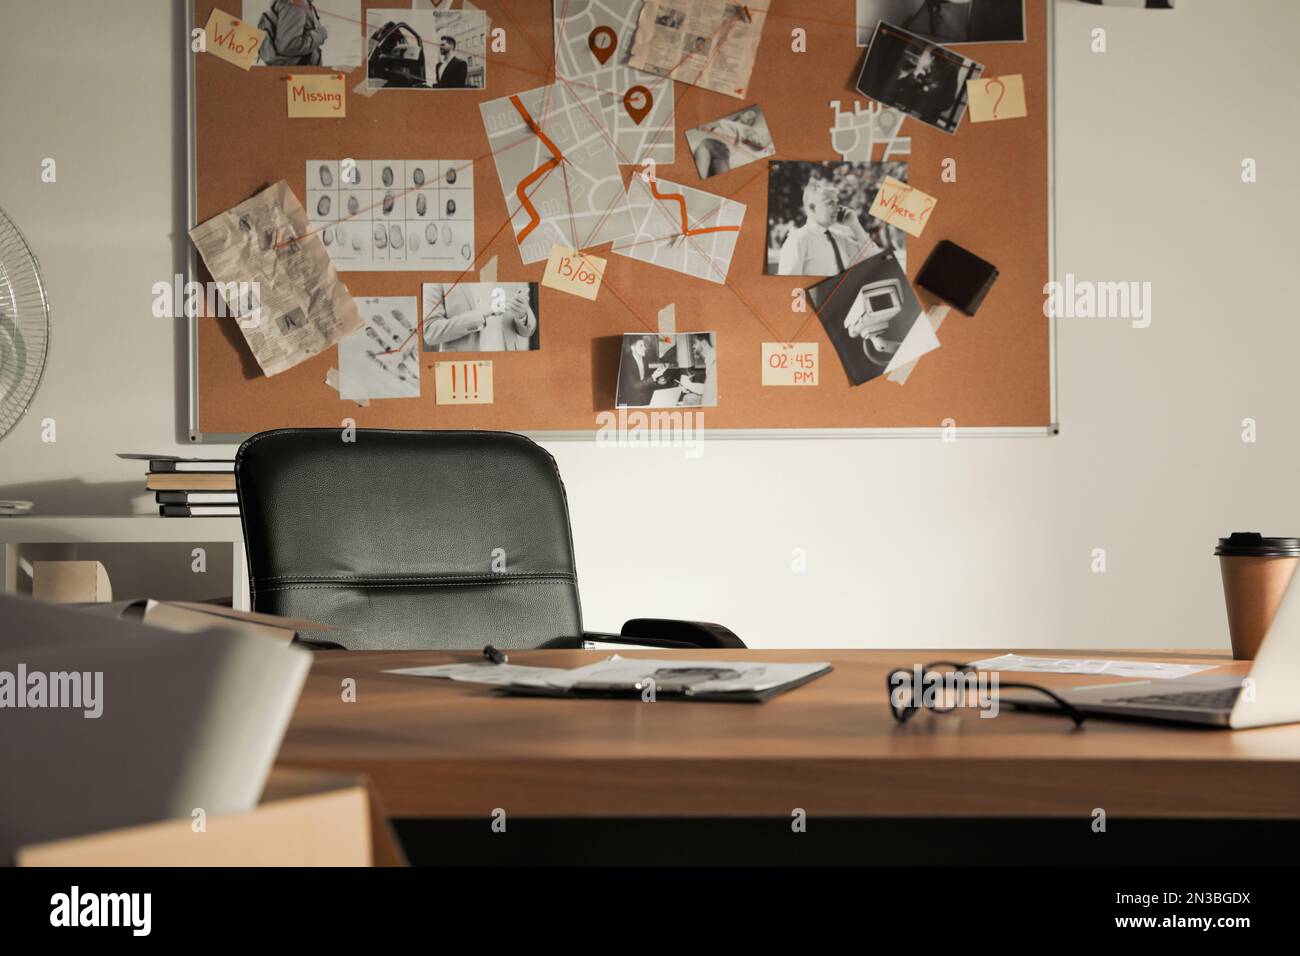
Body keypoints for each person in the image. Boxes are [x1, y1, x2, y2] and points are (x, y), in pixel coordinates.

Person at [776, 181, 880, 276]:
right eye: (830, 203)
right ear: (812, 208)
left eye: (836, 203)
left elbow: (874, 256)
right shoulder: (798, 239)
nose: (837, 208)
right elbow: (787, 284)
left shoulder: (839, 238)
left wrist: (855, 225)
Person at [423, 284, 536, 352]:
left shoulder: (507, 264)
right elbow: (430, 332)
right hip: (464, 369)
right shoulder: (438, 271)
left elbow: (528, 331)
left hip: (508, 364)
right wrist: (481, 314)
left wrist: (522, 315)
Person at [257, 0, 329, 67]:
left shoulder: (297, 4)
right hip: (298, 71)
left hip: (295, 69)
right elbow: (288, 46)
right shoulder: (294, 4)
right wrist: (321, 34)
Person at [617, 336, 669, 407]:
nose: (645, 348)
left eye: (644, 345)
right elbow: (634, 386)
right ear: (633, 348)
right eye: (641, 346)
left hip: (644, 397)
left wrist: (658, 380)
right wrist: (653, 377)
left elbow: (647, 378)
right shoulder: (625, 361)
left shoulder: (645, 359)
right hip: (629, 400)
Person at [678, 334, 717, 406]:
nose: (693, 346)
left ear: (704, 343)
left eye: (695, 342)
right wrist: (690, 387)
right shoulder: (710, 359)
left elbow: (708, 390)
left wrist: (688, 385)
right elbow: (708, 387)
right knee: (688, 398)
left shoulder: (714, 361)